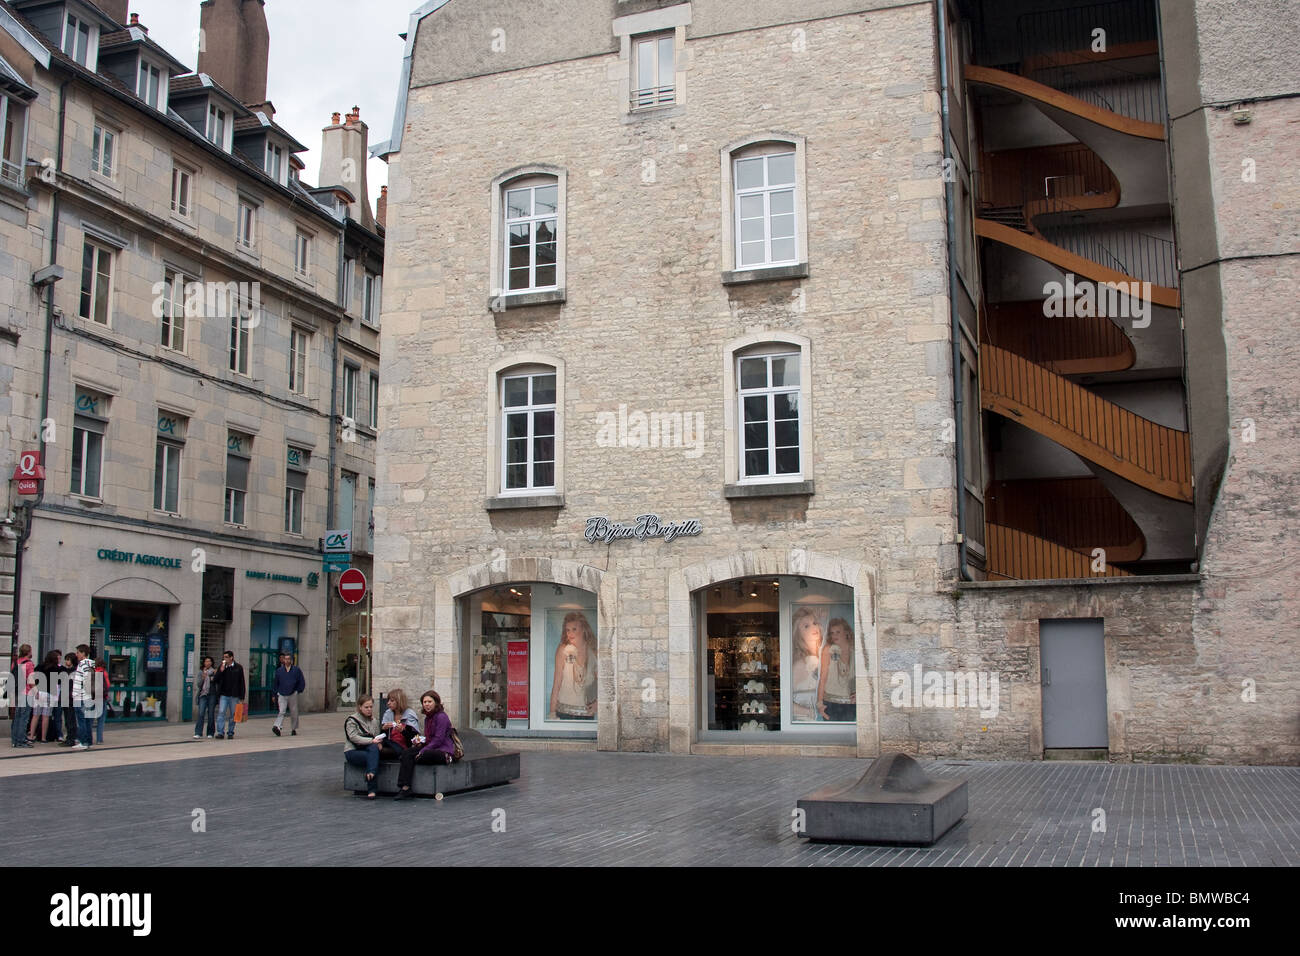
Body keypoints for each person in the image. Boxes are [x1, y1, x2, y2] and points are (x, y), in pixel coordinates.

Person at [393, 690, 454, 800]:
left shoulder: (441, 717)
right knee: (406, 753)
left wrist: (422, 750)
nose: (426, 704)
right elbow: (430, 739)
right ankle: (405, 787)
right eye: (424, 702)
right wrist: (420, 743)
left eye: (429, 701)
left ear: (436, 702)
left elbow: (438, 740)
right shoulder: (427, 719)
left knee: (423, 755)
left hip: (443, 750)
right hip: (430, 747)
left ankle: (414, 761)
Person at [548, 610, 597, 720]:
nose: (570, 633)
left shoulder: (594, 651)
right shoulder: (562, 650)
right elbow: (556, 683)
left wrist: (598, 704)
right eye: (568, 630)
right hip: (563, 713)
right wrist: (552, 713)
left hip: (586, 714)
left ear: (583, 629)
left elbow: (604, 683)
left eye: (574, 629)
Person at [343, 694, 385, 799]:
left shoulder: (374, 721)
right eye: (366, 707)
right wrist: (372, 740)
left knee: (373, 753)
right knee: (373, 758)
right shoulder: (352, 720)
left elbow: (376, 736)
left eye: (371, 707)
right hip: (353, 751)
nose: (369, 709)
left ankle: (370, 776)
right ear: (360, 707)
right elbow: (353, 737)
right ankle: (371, 785)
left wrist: (378, 742)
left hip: (369, 750)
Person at [817, 617, 856, 722]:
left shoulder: (855, 649)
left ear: (846, 633)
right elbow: (823, 677)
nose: (834, 635)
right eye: (832, 633)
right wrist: (820, 704)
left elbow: (866, 676)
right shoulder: (828, 649)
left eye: (838, 632)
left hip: (851, 704)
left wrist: (860, 694)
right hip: (831, 703)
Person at [790, 606, 823, 722]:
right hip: (806, 723)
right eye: (806, 626)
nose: (814, 628)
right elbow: (786, 701)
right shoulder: (799, 664)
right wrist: (810, 712)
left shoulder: (823, 657)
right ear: (798, 634)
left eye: (815, 623)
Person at [271, 652, 306, 737]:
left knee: (294, 712)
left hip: (292, 693)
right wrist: (274, 694)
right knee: (281, 711)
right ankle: (277, 727)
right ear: (283, 660)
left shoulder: (296, 670)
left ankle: (293, 729)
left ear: (291, 660)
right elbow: (276, 683)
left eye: (288, 659)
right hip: (282, 694)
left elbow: (301, 681)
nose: (287, 661)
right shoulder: (279, 671)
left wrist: (298, 690)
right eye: (285, 659)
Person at [213, 650, 246, 740]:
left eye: (226, 657)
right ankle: (220, 732)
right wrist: (221, 671)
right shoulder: (222, 667)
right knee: (221, 712)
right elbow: (215, 679)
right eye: (224, 657)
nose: (225, 659)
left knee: (233, 714)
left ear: (231, 657)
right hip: (224, 694)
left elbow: (242, 682)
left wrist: (242, 696)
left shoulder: (238, 667)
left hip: (234, 695)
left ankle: (230, 732)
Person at [30, 651, 61, 743]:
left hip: (39, 692)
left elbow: (32, 677)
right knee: (45, 717)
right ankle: (43, 738)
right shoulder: (56, 669)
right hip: (49, 694)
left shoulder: (40, 666)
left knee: (35, 716)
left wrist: (35, 690)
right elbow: (58, 682)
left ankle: (31, 736)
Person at [9, 644, 34, 749]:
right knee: (24, 718)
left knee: (17, 718)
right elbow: (31, 681)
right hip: (26, 693)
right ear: (29, 652)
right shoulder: (29, 664)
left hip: (16, 693)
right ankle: (21, 741)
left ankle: (15, 740)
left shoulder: (15, 662)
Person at [70, 644, 95, 750]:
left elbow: (81, 681)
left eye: (78, 652)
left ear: (83, 653)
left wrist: (74, 694)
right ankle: (88, 741)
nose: (76, 655)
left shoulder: (82, 664)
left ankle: (83, 741)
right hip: (90, 696)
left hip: (81, 697)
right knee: (88, 720)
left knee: (81, 720)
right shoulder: (92, 664)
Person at [192, 656, 217, 739]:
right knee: (201, 713)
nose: (208, 663)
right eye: (206, 661)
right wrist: (203, 678)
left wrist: (212, 678)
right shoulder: (200, 672)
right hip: (203, 694)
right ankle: (198, 732)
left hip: (212, 694)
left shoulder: (214, 671)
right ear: (204, 663)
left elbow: (217, 682)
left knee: (210, 714)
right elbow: (198, 685)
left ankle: (210, 732)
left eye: (209, 661)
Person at [58, 653, 78, 746]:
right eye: (66, 659)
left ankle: (71, 738)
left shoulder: (75, 671)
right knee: (67, 719)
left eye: (68, 660)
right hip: (65, 697)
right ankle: (69, 737)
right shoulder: (66, 671)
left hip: (71, 698)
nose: (66, 661)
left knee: (71, 719)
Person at [92, 657, 109, 745]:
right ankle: (99, 739)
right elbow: (108, 685)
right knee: (101, 719)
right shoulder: (104, 673)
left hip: (92, 697)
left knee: (89, 719)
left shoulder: (92, 672)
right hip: (101, 698)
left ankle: (88, 737)